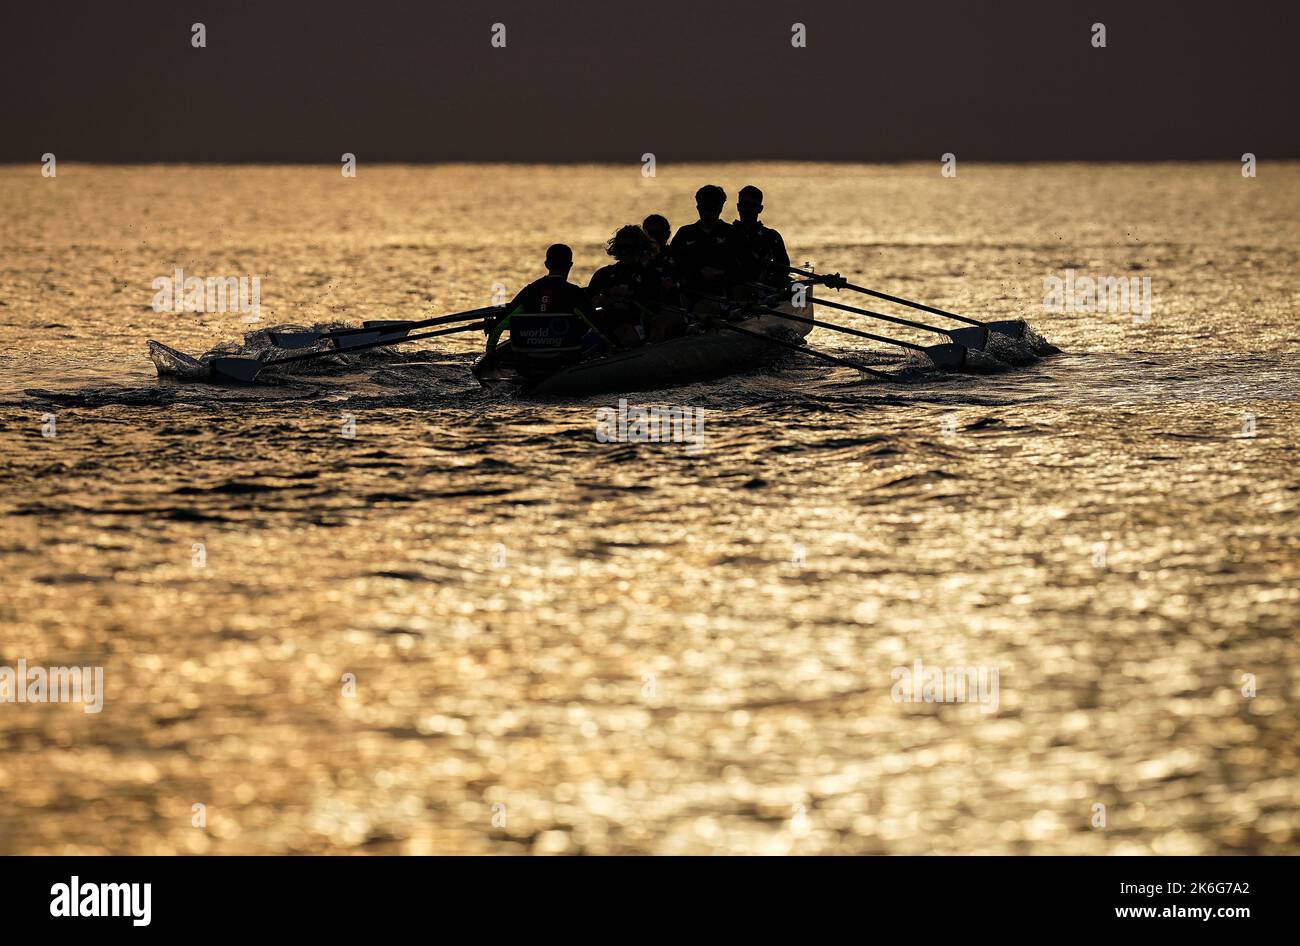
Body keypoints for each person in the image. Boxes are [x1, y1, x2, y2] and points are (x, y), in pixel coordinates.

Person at [482, 244, 606, 363]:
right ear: (570, 265)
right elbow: (597, 325)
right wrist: (618, 347)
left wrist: (490, 353)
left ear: (546, 264)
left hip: (529, 357)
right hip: (564, 357)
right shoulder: (575, 293)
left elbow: (499, 325)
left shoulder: (530, 290)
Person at [588, 225, 681, 345]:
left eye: (629, 247)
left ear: (640, 249)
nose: (624, 252)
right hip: (608, 323)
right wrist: (603, 298)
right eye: (621, 247)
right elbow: (588, 303)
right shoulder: (603, 274)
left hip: (637, 324)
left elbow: (653, 307)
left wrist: (629, 295)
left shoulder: (650, 275)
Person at [669, 185, 741, 299]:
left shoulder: (732, 233)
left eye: (712, 207)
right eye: (705, 207)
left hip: (725, 295)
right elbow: (673, 264)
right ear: (698, 207)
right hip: (691, 295)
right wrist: (698, 271)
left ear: (721, 208)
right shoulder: (684, 233)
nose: (708, 212)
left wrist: (721, 274)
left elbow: (742, 268)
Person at [731, 185, 790, 290]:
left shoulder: (771, 236)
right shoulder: (727, 233)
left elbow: (784, 270)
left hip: (762, 290)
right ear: (738, 207)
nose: (748, 209)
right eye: (745, 204)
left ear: (760, 209)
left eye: (753, 205)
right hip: (733, 288)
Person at [642, 213, 682, 307]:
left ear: (667, 235)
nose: (652, 237)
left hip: (671, 305)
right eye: (649, 233)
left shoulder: (677, 255)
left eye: (657, 233)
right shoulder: (639, 257)